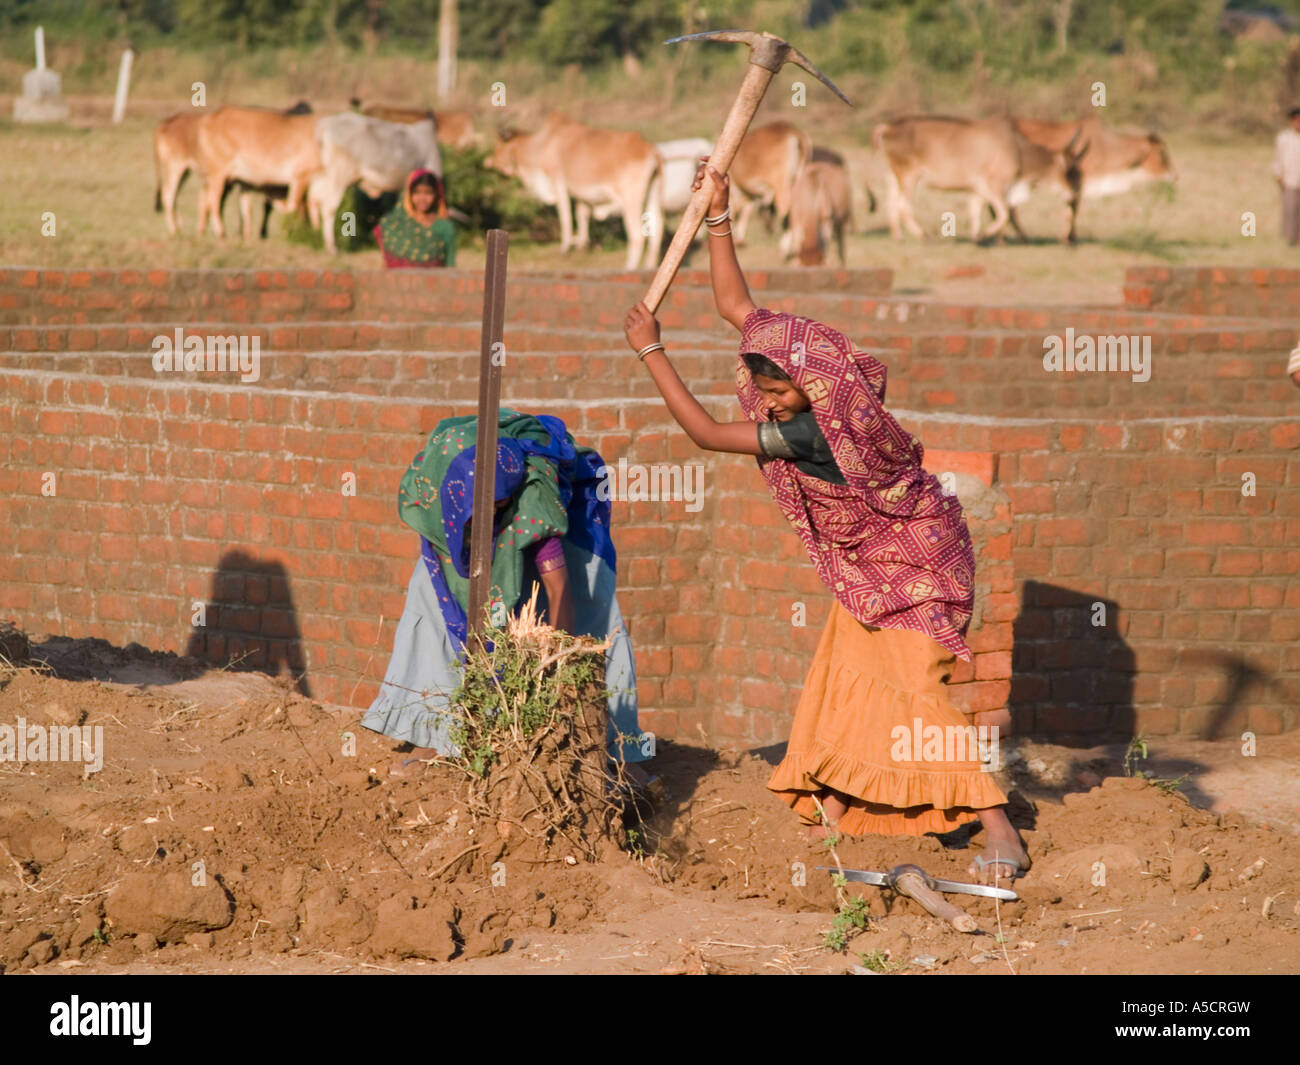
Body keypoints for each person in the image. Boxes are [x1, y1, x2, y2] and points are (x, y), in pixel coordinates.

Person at [620, 161, 1027, 884]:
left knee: (918, 694)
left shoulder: (821, 427)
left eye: (775, 391)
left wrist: (652, 350)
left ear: (808, 385)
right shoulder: (811, 362)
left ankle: (999, 829)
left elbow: (710, 436)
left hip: (915, 565)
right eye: (762, 387)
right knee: (847, 673)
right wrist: (718, 213)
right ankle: (837, 812)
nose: (767, 402)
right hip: (877, 565)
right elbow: (736, 302)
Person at [361, 409, 649, 778]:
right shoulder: (435, 491)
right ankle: (438, 733)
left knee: (595, 608)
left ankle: (617, 750)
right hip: (450, 510)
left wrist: (555, 662)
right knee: (431, 600)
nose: (492, 520)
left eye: (498, 511)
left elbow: (559, 590)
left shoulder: (532, 501)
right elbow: (448, 555)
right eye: (484, 514)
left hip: (567, 523)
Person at [374, 169, 457, 268]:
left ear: (437, 195)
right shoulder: (394, 225)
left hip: (433, 282)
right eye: (417, 193)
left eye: (428, 193)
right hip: (397, 282)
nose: (422, 198)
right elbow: (385, 266)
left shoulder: (445, 227)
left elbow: (450, 266)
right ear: (408, 195)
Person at [1272, 108, 1300, 246]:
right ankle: (1291, 238)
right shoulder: (1284, 138)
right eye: (1296, 121)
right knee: (1290, 209)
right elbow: (1279, 158)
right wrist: (1278, 175)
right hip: (1290, 179)